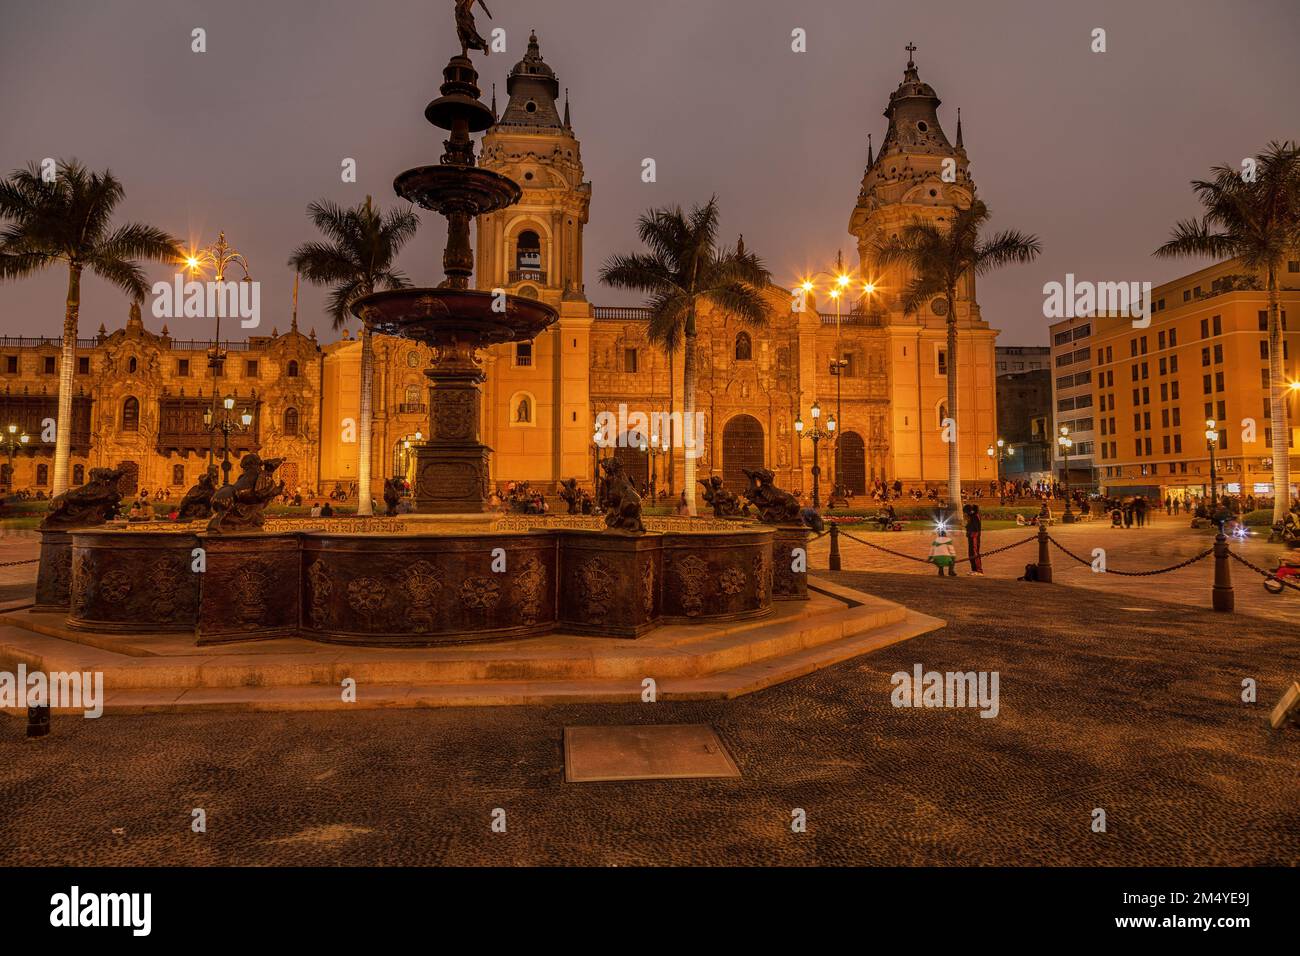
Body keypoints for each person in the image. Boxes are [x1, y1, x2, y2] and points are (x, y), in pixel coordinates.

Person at [965, 504, 984, 575]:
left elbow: (976, 529)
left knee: (975, 553)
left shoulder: (975, 516)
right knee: (971, 554)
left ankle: (979, 570)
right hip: (971, 537)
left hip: (974, 538)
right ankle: (974, 570)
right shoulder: (972, 516)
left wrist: (969, 531)